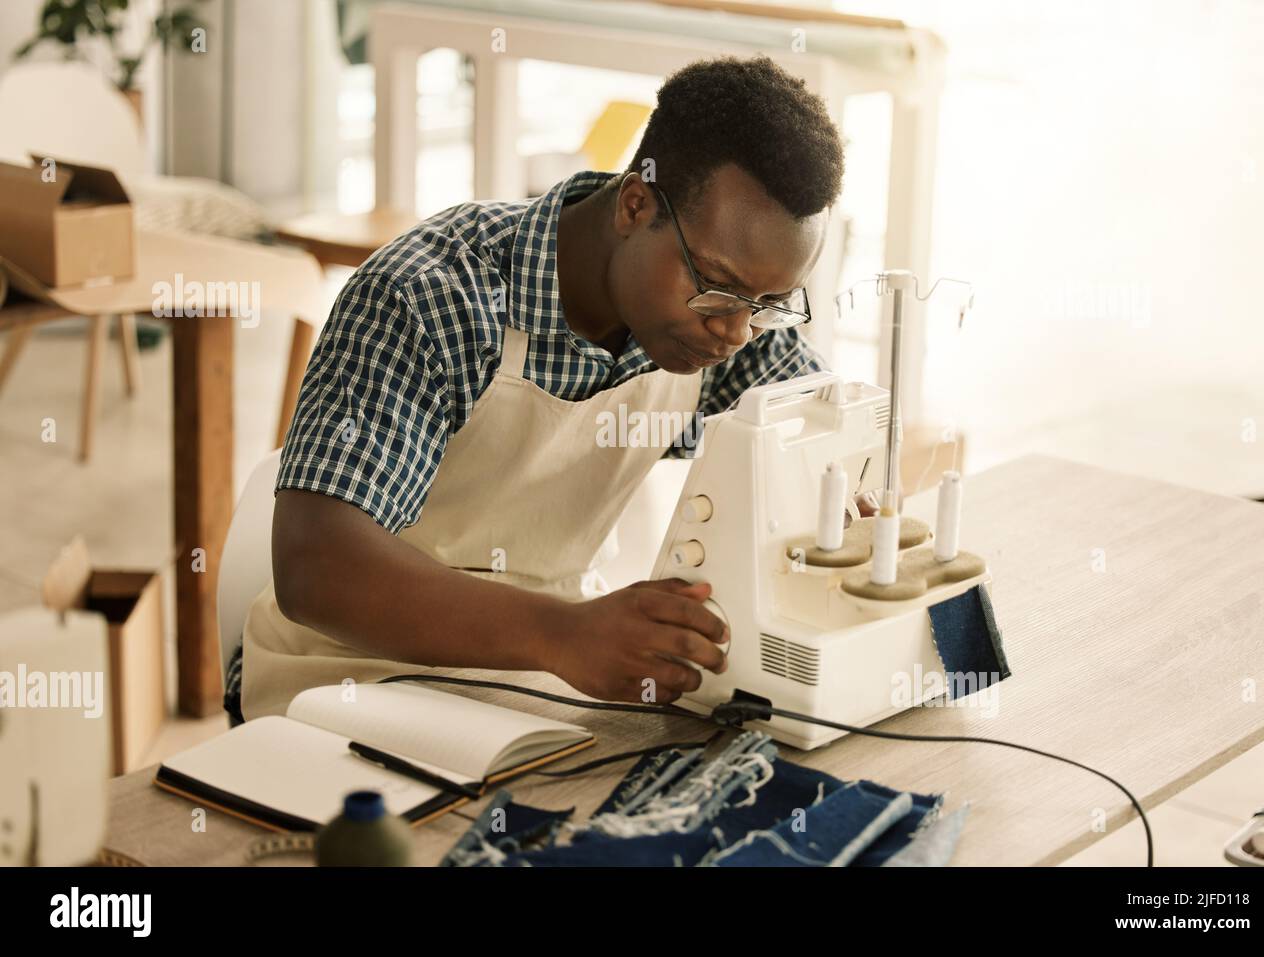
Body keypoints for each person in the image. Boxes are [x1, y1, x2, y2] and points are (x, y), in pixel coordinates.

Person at [229, 54, 852, 724]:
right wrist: (564, 633)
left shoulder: (706, 325)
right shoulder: (433, 294)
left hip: (531, 689)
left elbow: (823, 428)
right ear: (635, 204)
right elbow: (317, 569)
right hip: (341, 684)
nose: (736, 331)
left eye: (767, 303)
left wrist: (844, 484)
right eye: (718, 287)